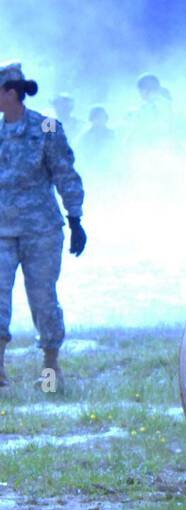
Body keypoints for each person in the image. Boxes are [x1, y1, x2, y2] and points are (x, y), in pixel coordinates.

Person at [0, 62, 86, 391]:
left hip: (41, 231)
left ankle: (50, 371)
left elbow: (65, 172)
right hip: (2, 232)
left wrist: (75, 218)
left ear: (11, 93)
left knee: (43, 300)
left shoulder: (47, 127)